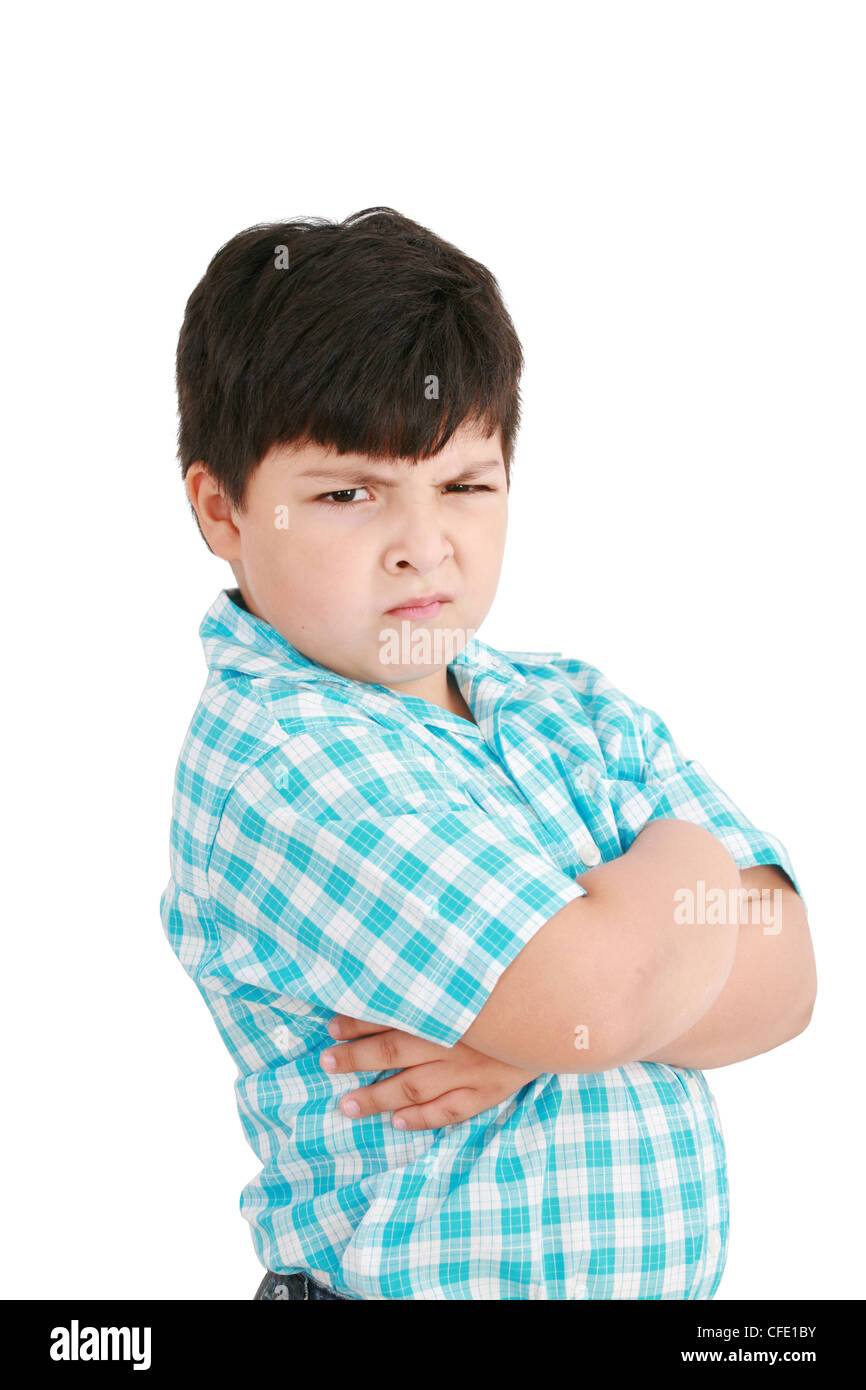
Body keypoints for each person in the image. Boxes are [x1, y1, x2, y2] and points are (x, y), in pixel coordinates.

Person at [159, 207, 817, 1301]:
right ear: (224, 511)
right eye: (347, 493)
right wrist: (684, 873)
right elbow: (605, 991)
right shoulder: (286, 757)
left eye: (465, 484)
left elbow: (786, 976)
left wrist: (546, 1033)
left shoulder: (566, 707)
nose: (426, 541)